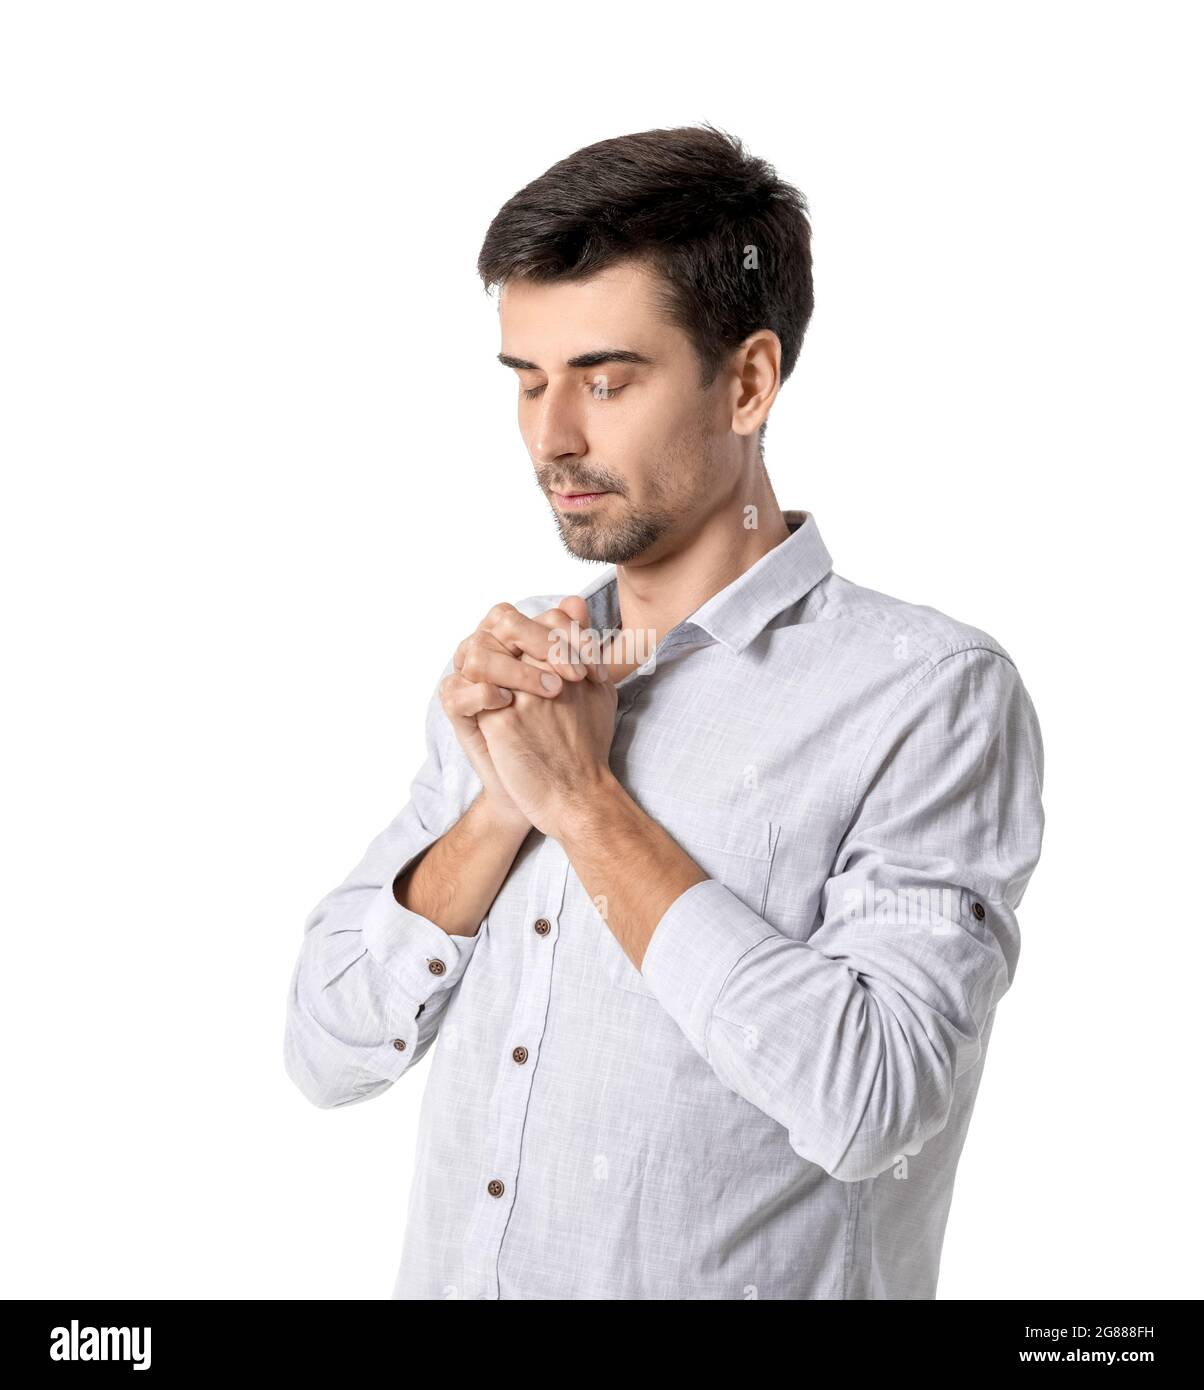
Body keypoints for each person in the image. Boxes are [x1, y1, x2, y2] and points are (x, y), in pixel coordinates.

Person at [283, 123, 1045, 1300]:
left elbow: (872, 1102)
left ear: (747, 382)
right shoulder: (520, 671)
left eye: (605, 378)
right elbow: (327, 1048)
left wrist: (586, 807)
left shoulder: (926, 696)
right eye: (527, 382)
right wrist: (501, 804)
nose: (552, 438)